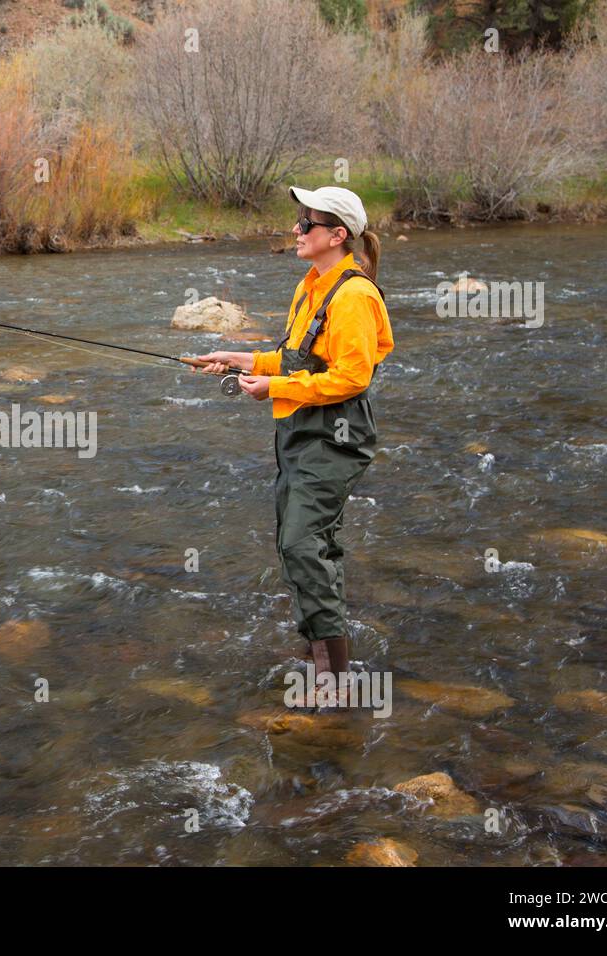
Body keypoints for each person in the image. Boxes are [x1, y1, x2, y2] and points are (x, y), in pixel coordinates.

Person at [195, 185, 394, 709]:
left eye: (307, 223)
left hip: (335, 435)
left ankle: (333, 680)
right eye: (299, 221)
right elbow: (295, 356)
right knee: (301, 540)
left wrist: (275, 388)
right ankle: (319, 656)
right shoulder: (312, 286)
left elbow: (352, 377)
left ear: (338, 235)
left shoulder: (353, 294)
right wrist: (241, 361)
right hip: (301, 433)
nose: (297, 231)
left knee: (303, 544)